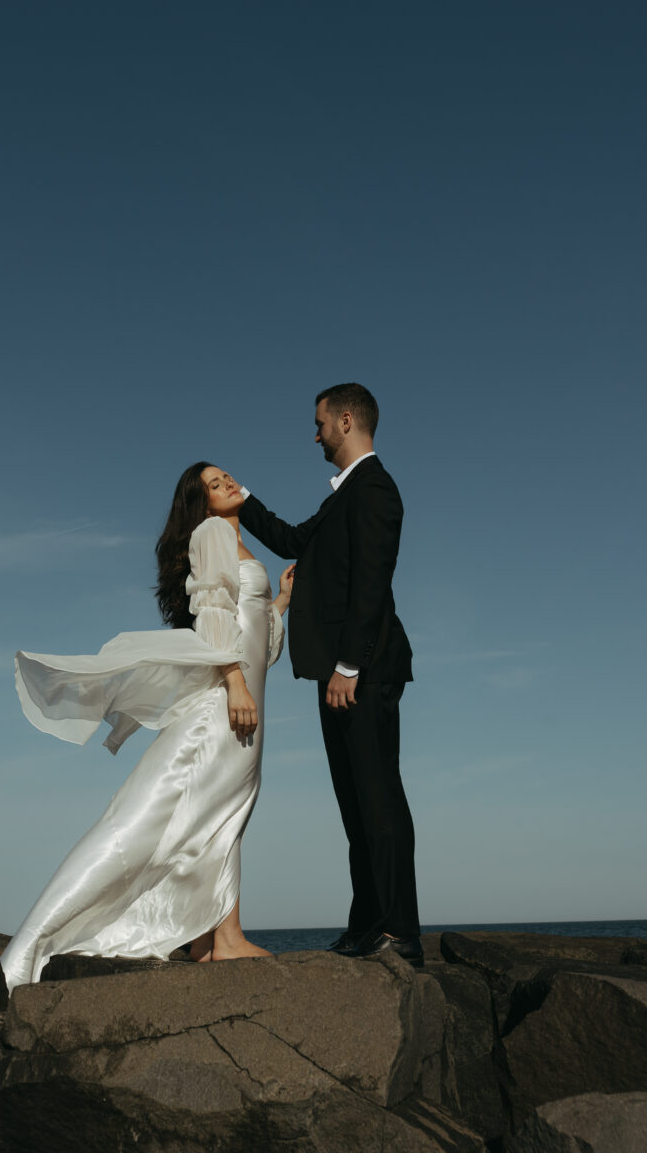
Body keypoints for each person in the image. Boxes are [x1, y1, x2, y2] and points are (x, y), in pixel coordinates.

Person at [0, 463, 292, 992]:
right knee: (142, 824)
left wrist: (278, 606)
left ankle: (210, 939)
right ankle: (218, 941)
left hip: (238, 698)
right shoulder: (210, 534)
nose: (226, 483)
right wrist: (235, 684)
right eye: (212, 483)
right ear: (199, 503)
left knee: (219, 813)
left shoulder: (236, 543)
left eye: (227, 475)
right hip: (222, 704)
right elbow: (212, 620)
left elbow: (254, 641)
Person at [236, 382, 422, 967]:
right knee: (353, 803)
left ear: (346, 421)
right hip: (337, 674)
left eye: (319, 423)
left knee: (379, 796)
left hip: (360, 671)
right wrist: (240, 500)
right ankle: (368, 924)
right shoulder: (340, 497)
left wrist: (349, 666)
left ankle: (400, 931)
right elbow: (294, 541)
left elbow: (371, 584)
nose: (313, 434)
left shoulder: (375, 490)